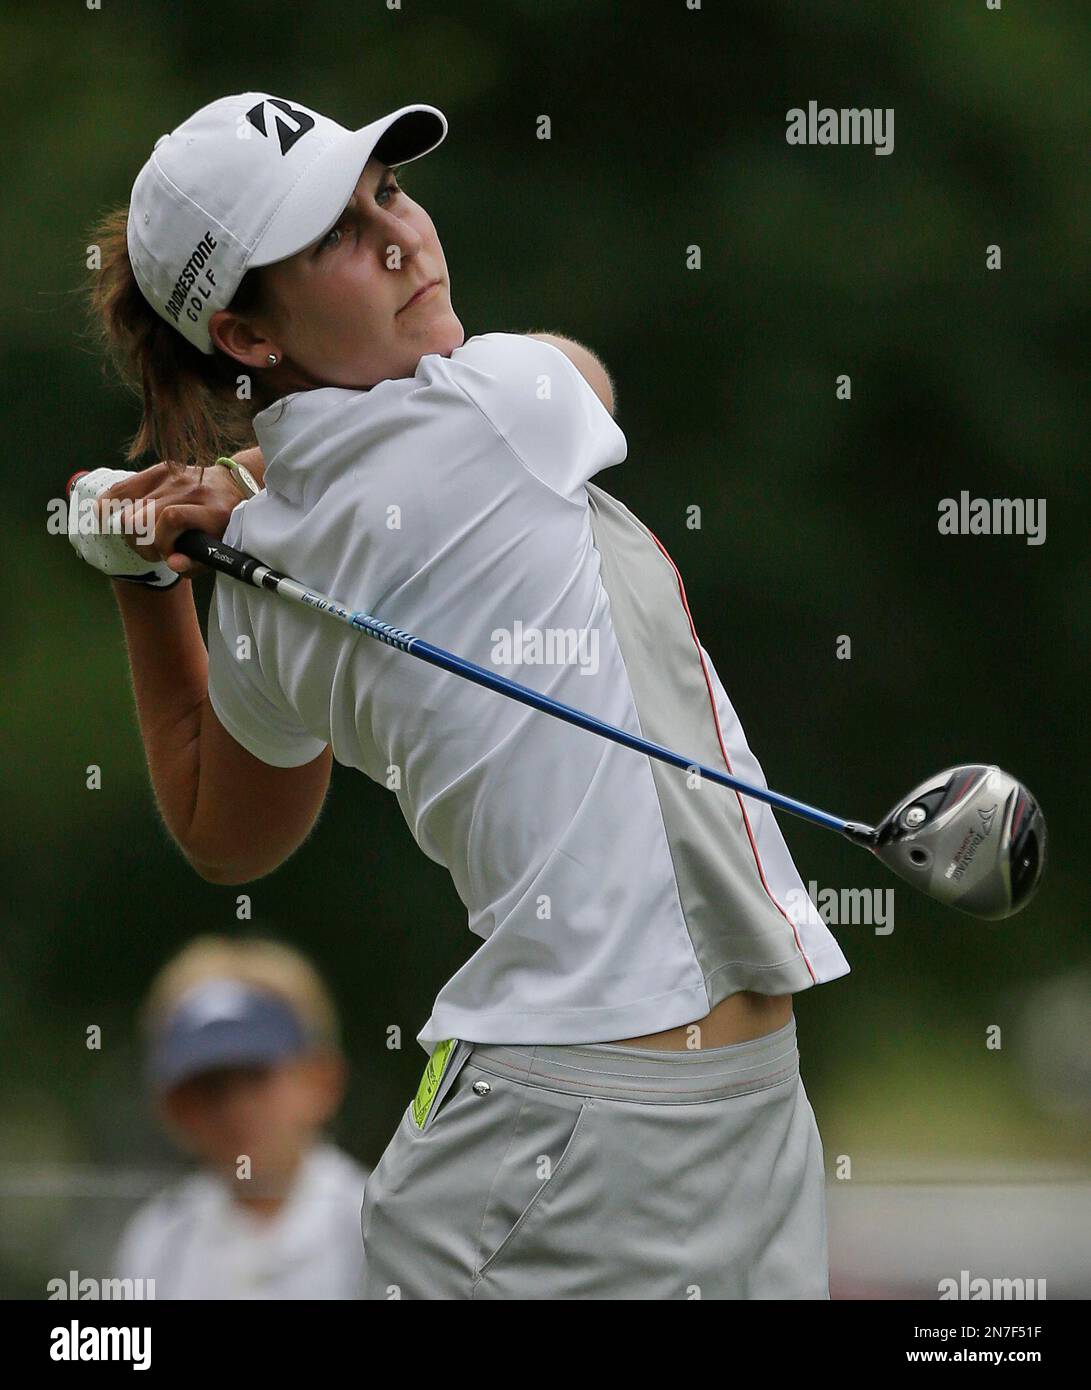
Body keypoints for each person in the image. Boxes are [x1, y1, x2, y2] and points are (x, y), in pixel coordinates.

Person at [73, 90, 851, 1299]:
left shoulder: (266, 575)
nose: (402, 239)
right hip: (574, 1126)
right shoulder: (493, 401)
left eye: (388, 193)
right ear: (246, 335)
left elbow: (224, 832)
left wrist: (142, 578)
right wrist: (234, 483)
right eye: (334, 235)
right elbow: (579, 373)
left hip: (684, 1109)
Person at [114, 936, 368, 1299]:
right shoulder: (158, 1242)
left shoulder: (376, 1229)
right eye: (209, 1086)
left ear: (320, 1082)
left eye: (255, 1076)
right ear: (174, 1107)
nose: (235, 1108)